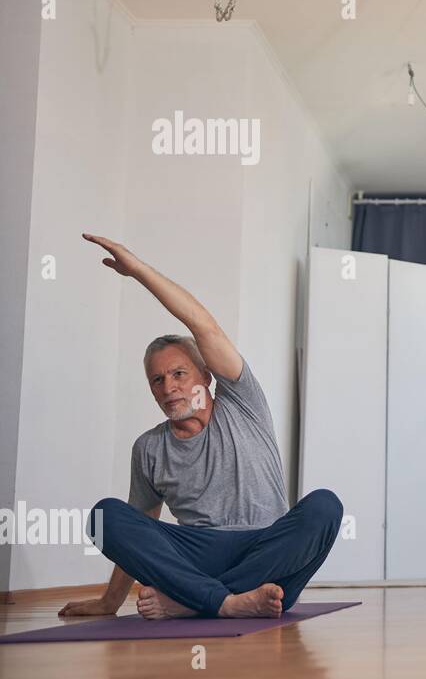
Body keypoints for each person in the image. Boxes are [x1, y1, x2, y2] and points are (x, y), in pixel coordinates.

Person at [58, 235, 342, 620]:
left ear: (206, 375)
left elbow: (201, 324)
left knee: (324, 506)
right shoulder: (150, 448)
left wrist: (139, 271)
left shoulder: (242, 403)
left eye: (178, 373)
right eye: (157, 380)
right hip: (198, 554)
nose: (168, 386)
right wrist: (110, 602)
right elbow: (142, 527)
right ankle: (226, 601)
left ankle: (196, 602)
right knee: (105, 517)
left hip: (268, 549)